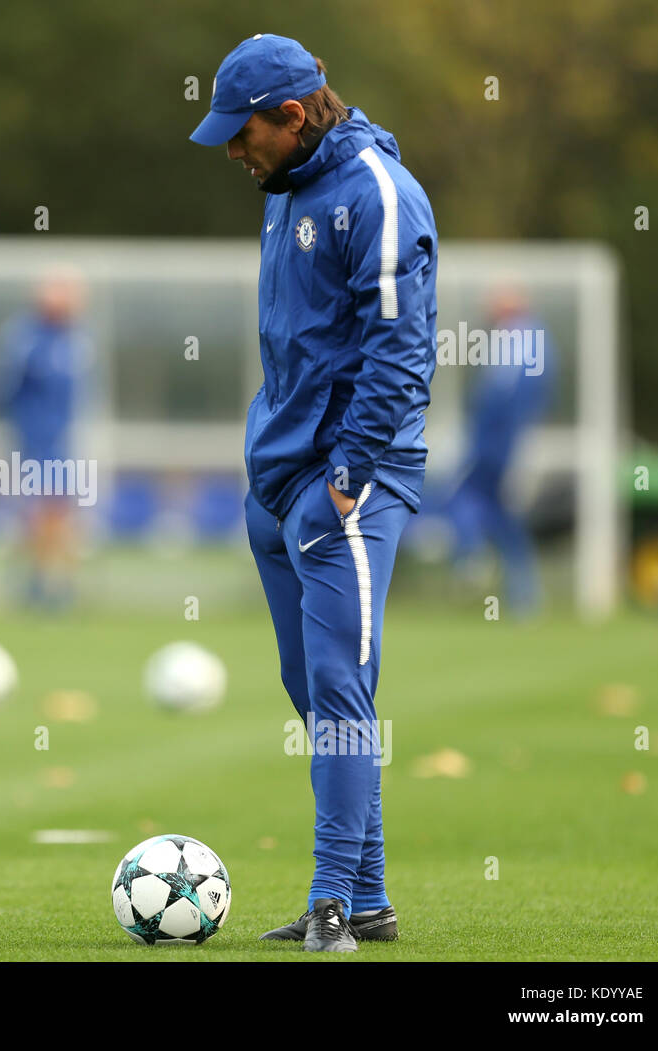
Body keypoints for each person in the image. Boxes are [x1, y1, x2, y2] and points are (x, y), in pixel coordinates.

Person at [190, 34, 438, 951]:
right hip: (280, 479)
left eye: (243, 130)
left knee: (340, 690)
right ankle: (367, 899)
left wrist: (348, 475)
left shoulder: (376, 190)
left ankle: (331, 897)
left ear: (293, 116)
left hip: (348, 482)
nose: (232, 149)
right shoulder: (286, 185)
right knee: (312, 688)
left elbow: (401, 349)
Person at [0, 268, 90, 607]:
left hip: (63, 441)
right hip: (33, 441)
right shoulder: (23, 338)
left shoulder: (75, 339)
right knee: (42, 513)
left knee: (60, 513)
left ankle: (57, 585)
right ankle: (40, 585)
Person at [443, 286, 554, 613]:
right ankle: (524, 595)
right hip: (503, 442)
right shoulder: (522, 337)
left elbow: (506, 397)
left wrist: (487, 442)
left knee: (463, 496)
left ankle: (472, 555)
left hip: (501, 445)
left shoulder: (526, 337)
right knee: (503, 518)